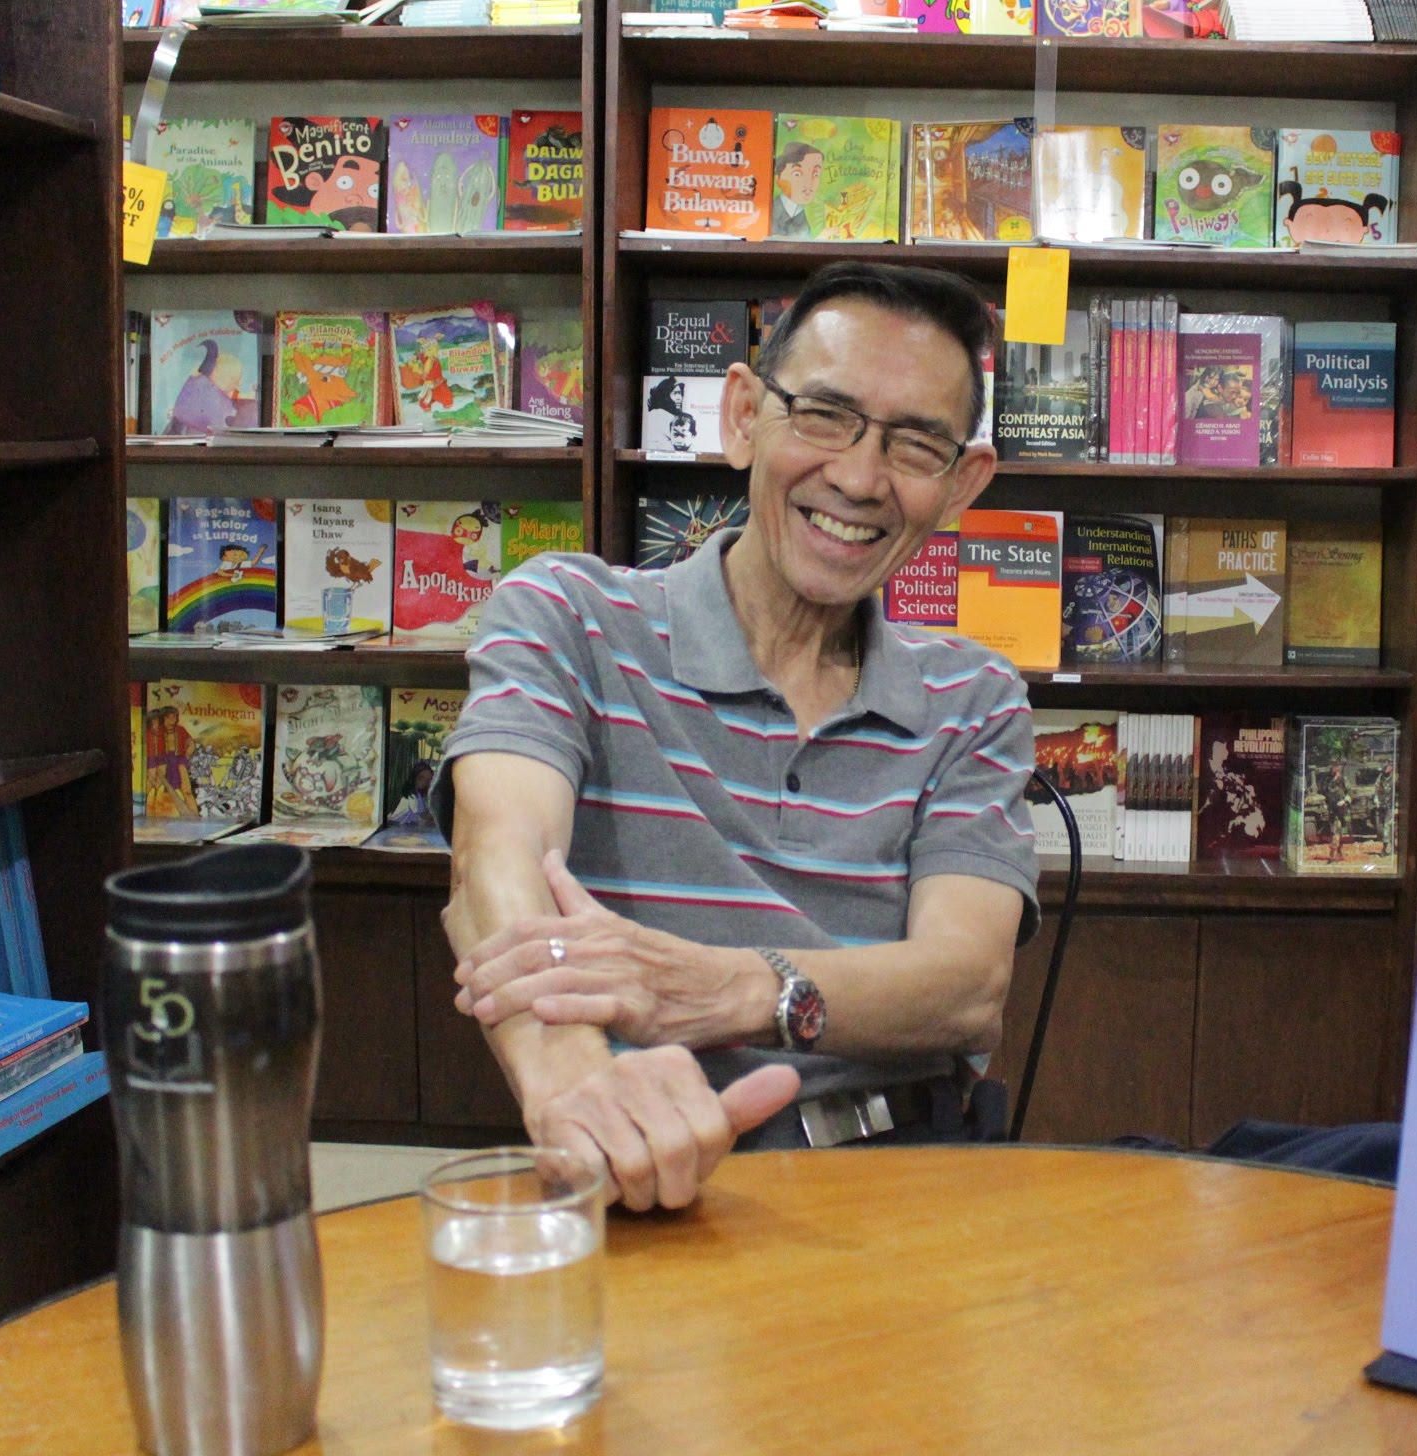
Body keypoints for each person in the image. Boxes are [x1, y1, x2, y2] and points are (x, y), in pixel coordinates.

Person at [433, 263, 1031, 1212]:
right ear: (744, 416)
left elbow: (965, 987)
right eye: (825, 416)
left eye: (916, 446)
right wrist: (576, 1083)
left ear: (962, 484)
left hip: (911, 1179)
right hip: (648, 1171)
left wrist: (724, 990)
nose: (859, 479)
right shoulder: (568, 615)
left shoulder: (975, 696)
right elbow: (494, 862)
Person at [770, 142, 825, 239]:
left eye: (815, 174)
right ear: (778, 179)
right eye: (797, 174)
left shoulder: (806, 214)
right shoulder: (771, 211)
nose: (809, 184)